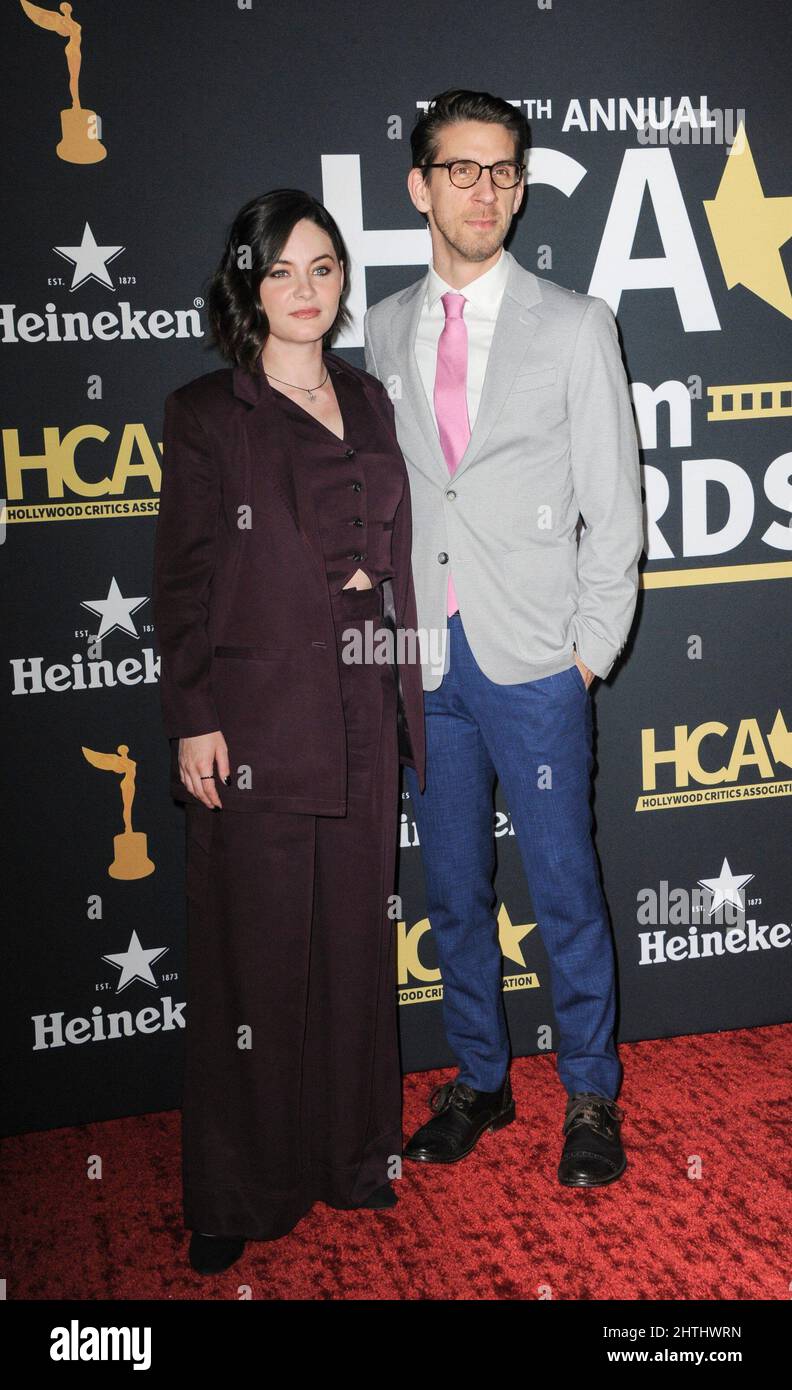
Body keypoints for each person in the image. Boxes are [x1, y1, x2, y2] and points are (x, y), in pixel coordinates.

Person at [364, 89, 644, 1187]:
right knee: (453, 890)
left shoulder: (576, 323)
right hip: (423, 660)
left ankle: (590, 1095)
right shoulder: (381, 327)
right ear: (420, 186)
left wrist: (589, 652)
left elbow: (615, 507)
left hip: (536, 661)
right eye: (463, 169)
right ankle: (480, 1077)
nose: (486, 190)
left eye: (505, 171)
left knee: (566, 884)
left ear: (521, 185)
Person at [152, 189, 425, 1274]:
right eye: (281, 273)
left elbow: (392, 549)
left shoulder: (368, 397)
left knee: (355, 949)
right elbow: (183, 579)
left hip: (363, 698)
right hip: (256, 717)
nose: (305, 290)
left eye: (322, 268)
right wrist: (192, 717)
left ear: (343, 279)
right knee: (250, 964)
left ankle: (354, 1157)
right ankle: (237, 1187)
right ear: (246, 287)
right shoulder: (209, 412)